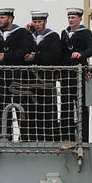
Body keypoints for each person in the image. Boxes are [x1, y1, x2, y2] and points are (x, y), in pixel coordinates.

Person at [0, 7, 36, 140]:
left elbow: (25, 50)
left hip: (17, 76)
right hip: (1, 77)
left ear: (10, 19)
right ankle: (4, 136)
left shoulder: (21, 33)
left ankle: (25, 137)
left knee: (21, 106)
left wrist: (6, 56)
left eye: (2, 18)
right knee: (1, 106)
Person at [24, 11, 63, 141]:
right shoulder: (30, 36)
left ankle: (50, 137)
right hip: (31, 79)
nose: (37, 24)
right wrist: (26, 33)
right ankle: (33, 136)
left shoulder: (53, 37)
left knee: (47, 109)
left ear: (45, 22)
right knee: (32, 109)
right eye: (35, 22)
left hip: (46, 78)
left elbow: (55, 56)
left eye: (39, 22)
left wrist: (36, 57)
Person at [60, 7, 92, 141]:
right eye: (69, 18)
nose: (70, 20)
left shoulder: (85, 33)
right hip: (67, 73)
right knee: (65, 104)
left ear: (80, 19)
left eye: (73, 18)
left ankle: (83, 137)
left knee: (81, 105)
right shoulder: (64, 33)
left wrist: (81, 54)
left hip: (79, 72)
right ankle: (66, 136)